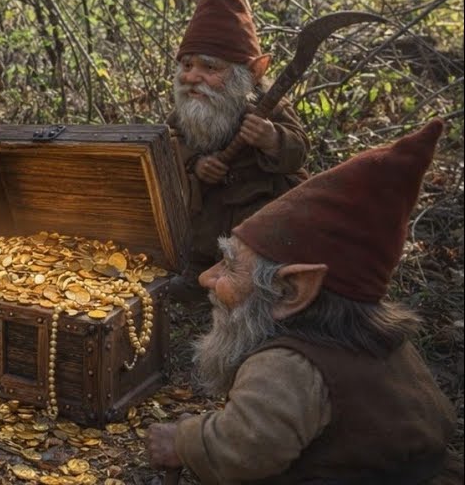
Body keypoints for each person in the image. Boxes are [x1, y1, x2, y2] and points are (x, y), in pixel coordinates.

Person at [147, 118, 462, 483]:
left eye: (231, 267)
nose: (207, 277)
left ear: (293, 290)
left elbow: (238, 453)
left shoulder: (286, 367)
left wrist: (183, 440)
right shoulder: (385, 345)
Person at [169, 0, 308, 280]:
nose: (192, 77)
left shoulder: (269, 107)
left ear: (254, 72)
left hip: (256, 221)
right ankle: (196, 277)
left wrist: (272, 139)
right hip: (206, 224)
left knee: (258, 267)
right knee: (192, 264)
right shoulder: (185, 110)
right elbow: (168, 144)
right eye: (187, 65)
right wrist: (194, 163)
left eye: (210, 67)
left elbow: (299, 151)